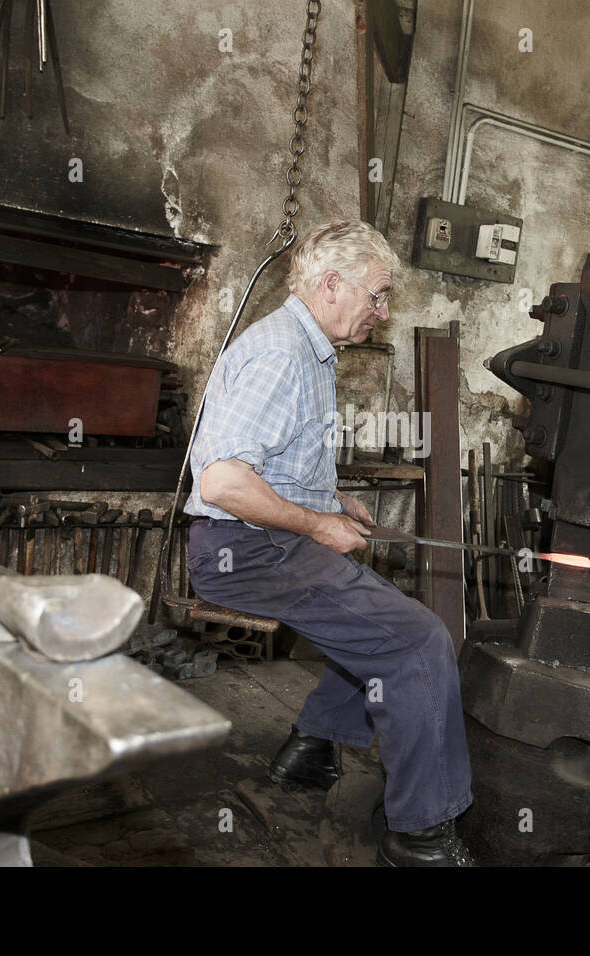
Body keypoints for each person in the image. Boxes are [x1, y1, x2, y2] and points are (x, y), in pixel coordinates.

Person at [183, 219, 474, 867]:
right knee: (420, 643)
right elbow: (224, 479)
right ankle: (422, 836)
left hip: (264, 541)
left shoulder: (307, 350)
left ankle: (309, 751)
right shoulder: (282, 353)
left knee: (371, 616)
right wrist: (316, 526)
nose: (383, 311)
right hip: (246, 549)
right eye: (377, 295)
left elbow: (271, 459)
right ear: (332, 285)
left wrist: (328, 499)